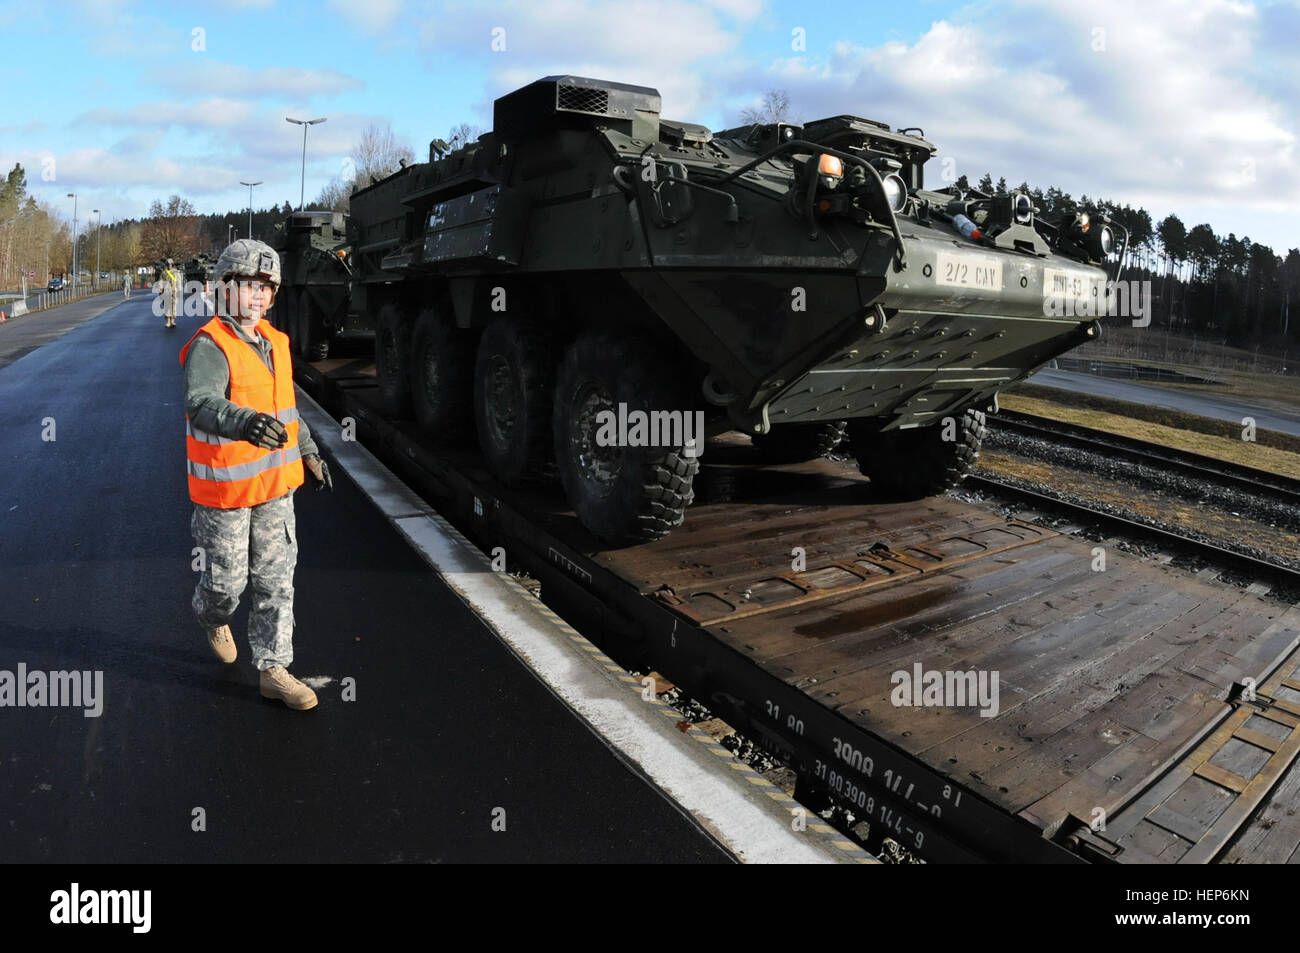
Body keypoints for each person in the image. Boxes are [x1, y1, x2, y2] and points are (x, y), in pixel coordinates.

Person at [179, 239, 334, 711]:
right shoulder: (211, 344)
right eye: (249, 286)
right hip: (225, 491)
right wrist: (244, 422)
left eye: (267, 287)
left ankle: (274, 669)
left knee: (275, 580)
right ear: (224, 289)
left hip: (275, 489)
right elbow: (201, 404)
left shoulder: (277, 343)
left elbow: (285, 409)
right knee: (226, 586)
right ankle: (211, 616)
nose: (260, 296)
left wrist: (307, 449)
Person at [156, 258, 179, 328]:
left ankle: (172, 320)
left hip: (174, 291)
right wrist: (160, 290)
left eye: (171, 264)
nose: (170, 265)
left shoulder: (176, 272)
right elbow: (161, 282)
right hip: (166, 291)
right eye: (168, 264)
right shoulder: (164, 273)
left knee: (174, 306)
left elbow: (179, 281)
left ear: (172, 264)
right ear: (166, 265)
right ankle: (168, 321)